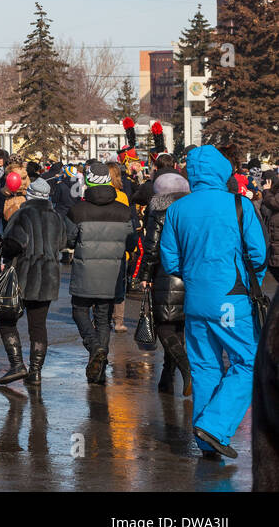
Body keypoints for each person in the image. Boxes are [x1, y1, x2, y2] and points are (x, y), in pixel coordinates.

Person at [160, 145, 267, 459]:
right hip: (231, 298)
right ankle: (215, 427)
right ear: (223, 170)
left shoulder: (177, 209)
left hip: (196, 300)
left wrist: (195, 276)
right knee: (248, 362)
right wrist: (251, 285)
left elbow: (170, 261)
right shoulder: (239, 205)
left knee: (205, 367)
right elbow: (258, 255)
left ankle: (207, 441)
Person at [0, 177, 68, 387]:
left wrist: (4, 249)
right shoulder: (56, 217)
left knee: (6, 320)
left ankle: (17, 364)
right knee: (38, 326)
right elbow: (63, 243)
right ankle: (35, 372)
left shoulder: (23, 214)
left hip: (23, 275)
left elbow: (14, 243)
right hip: (49, 276)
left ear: (31, 195)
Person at [67, 165, 134, 386]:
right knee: (104, 319)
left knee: (79, 311)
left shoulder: (78, 210)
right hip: (113, 273)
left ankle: (95, 348)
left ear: (89, 182)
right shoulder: (124, 211)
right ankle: (99, 362)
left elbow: (68, 240)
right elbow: (132, 243)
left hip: (85, 272)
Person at [136, 172, 192, 397]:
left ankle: (186, 369)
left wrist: (144, 276)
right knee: (178, 326)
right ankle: (166, 378)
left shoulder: (159, 211)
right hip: (190, 274)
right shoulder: (191, 209)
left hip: (166, 274)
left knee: (164, 326)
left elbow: (151, 247)